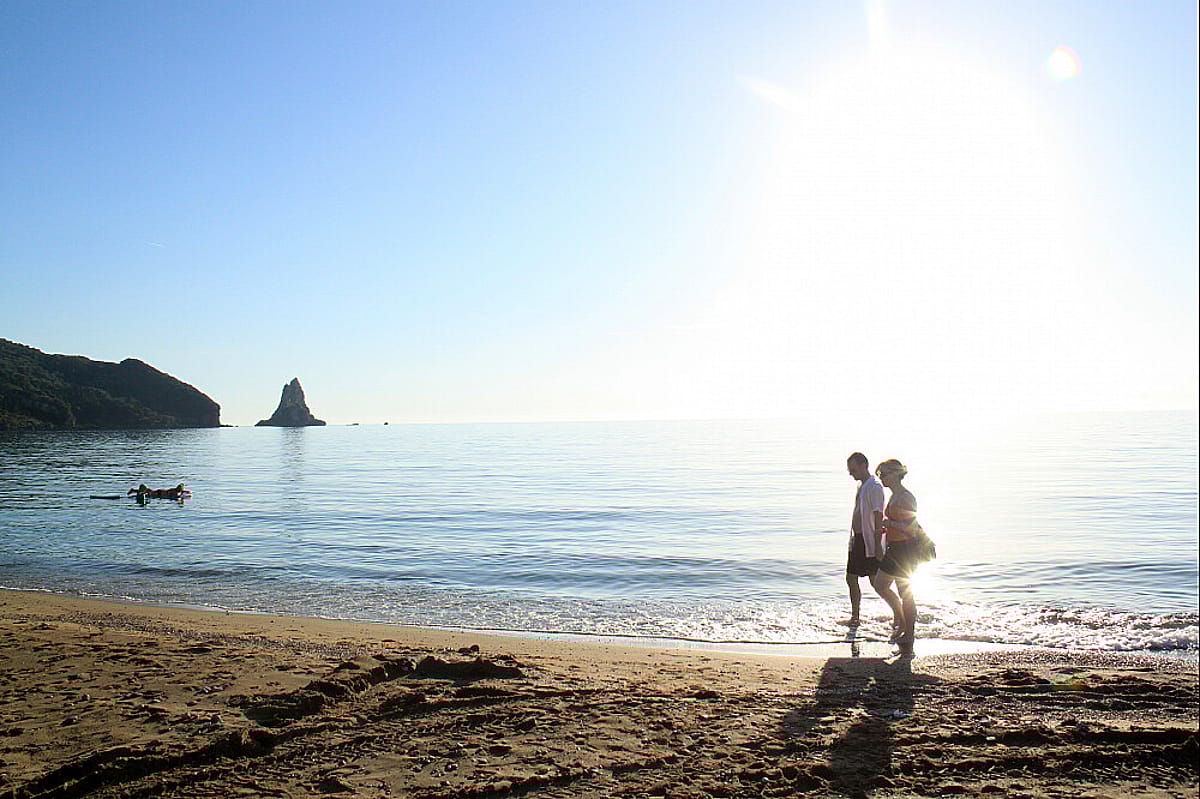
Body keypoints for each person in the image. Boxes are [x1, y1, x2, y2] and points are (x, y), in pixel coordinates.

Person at [873, 459, 921, 655]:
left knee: (906, 594)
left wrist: (889, 524)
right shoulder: (894, 496)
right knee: (880, 585)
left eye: (883, 474)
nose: (881, 478)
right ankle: (902, 623)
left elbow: (911, 528)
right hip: (894, 548)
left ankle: (909, 633)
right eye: (879, 475)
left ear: (895, 474)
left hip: (905, 550)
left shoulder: (906, 497)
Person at [844, 452, 887, 627]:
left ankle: (899, 613)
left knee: (876, 582)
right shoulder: (862, 486)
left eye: (853, 469)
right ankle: (855, 617)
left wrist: (877, 545)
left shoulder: (874, 487)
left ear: (864, 465)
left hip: (869, 541)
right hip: (858, 540)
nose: (850, 473)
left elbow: (878, 515)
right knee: (851, 577)